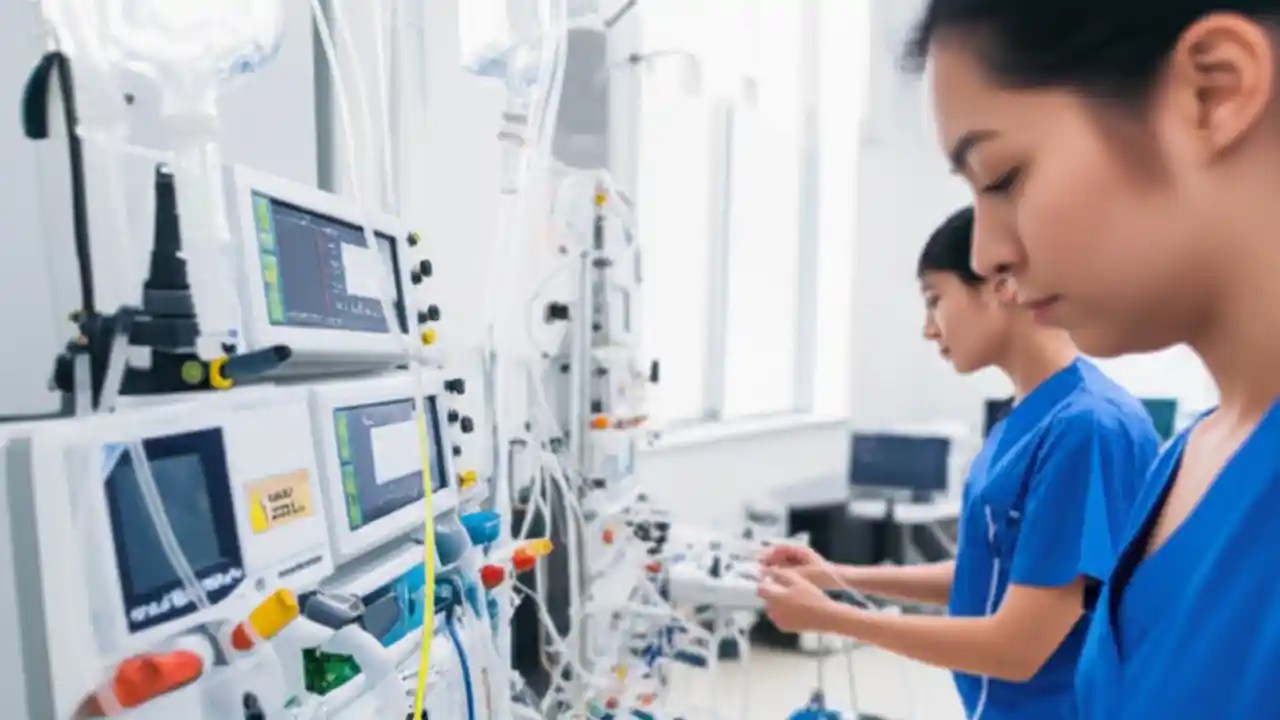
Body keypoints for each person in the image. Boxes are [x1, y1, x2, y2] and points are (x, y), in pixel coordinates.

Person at [905, 2, 1280, 718]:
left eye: (1004, 175)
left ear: (1214, 92)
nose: (988, 255)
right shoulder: (1185, 462)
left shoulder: (1096, 427)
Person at [758, 206, 1159, 720]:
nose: (929, 328)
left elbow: (1017, 647)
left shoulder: (1088, 429)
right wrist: (835, 576)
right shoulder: (1026, 419)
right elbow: (992, 573)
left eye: (935, 300)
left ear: (1001, 285)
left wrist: (834, 618)